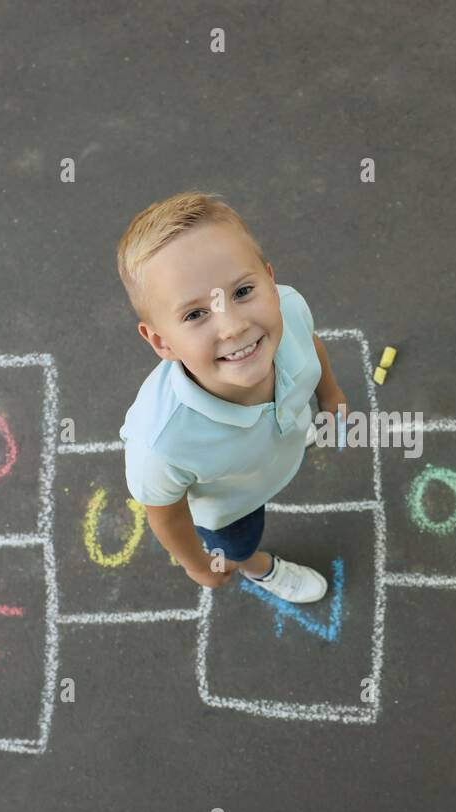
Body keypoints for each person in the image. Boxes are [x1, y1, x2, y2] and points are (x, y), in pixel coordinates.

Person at [115, 190, 347, 602]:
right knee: (239, 546)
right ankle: (260, 568)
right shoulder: (161, 446)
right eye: (195, 314)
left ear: (271, 282)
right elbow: (166, 515)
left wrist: (330, 395)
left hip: (274, 448)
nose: (234, 326)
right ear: (161, 341)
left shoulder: (290, 309)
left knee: (287, 426)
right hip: (233, 506)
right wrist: (195, 563)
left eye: (242, 292)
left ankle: (288, 430)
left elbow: (310, 345)